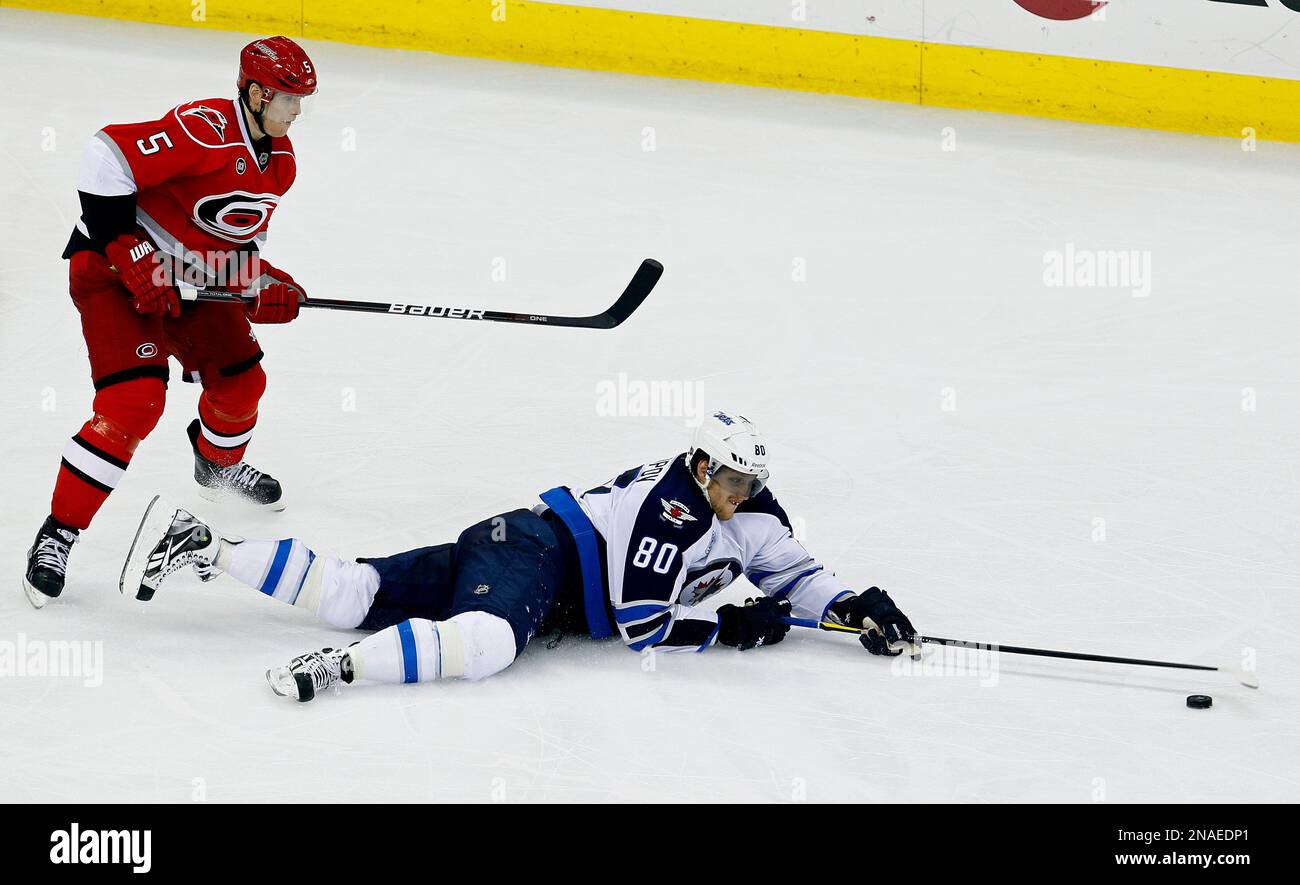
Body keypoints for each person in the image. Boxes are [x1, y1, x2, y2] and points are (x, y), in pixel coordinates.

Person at [119, 411, 919, 701]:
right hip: (536, 556)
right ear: (703, 465)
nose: (743, 493)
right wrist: (732, 630)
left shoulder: (747, 511)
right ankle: (341, 667)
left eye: (754, 482)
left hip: (513, 541)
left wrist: (850, 608)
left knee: (357, 587)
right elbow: (642, 626)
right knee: (490, 643)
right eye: (734, 478)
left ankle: (205, 546)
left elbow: (793, 574)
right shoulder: (669, 508)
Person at [24, 37, 319, 609]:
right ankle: (59, 533)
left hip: (189, 281)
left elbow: (233, 241)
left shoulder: (280, 164)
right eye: (288, 98)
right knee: (134, 404)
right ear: (256, 93)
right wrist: (127, 248)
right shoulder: (204, 128)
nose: (297, 111)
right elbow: (104, 155)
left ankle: (216, 467)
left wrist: (260, 285)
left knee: (242, 382)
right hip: (114, 273)